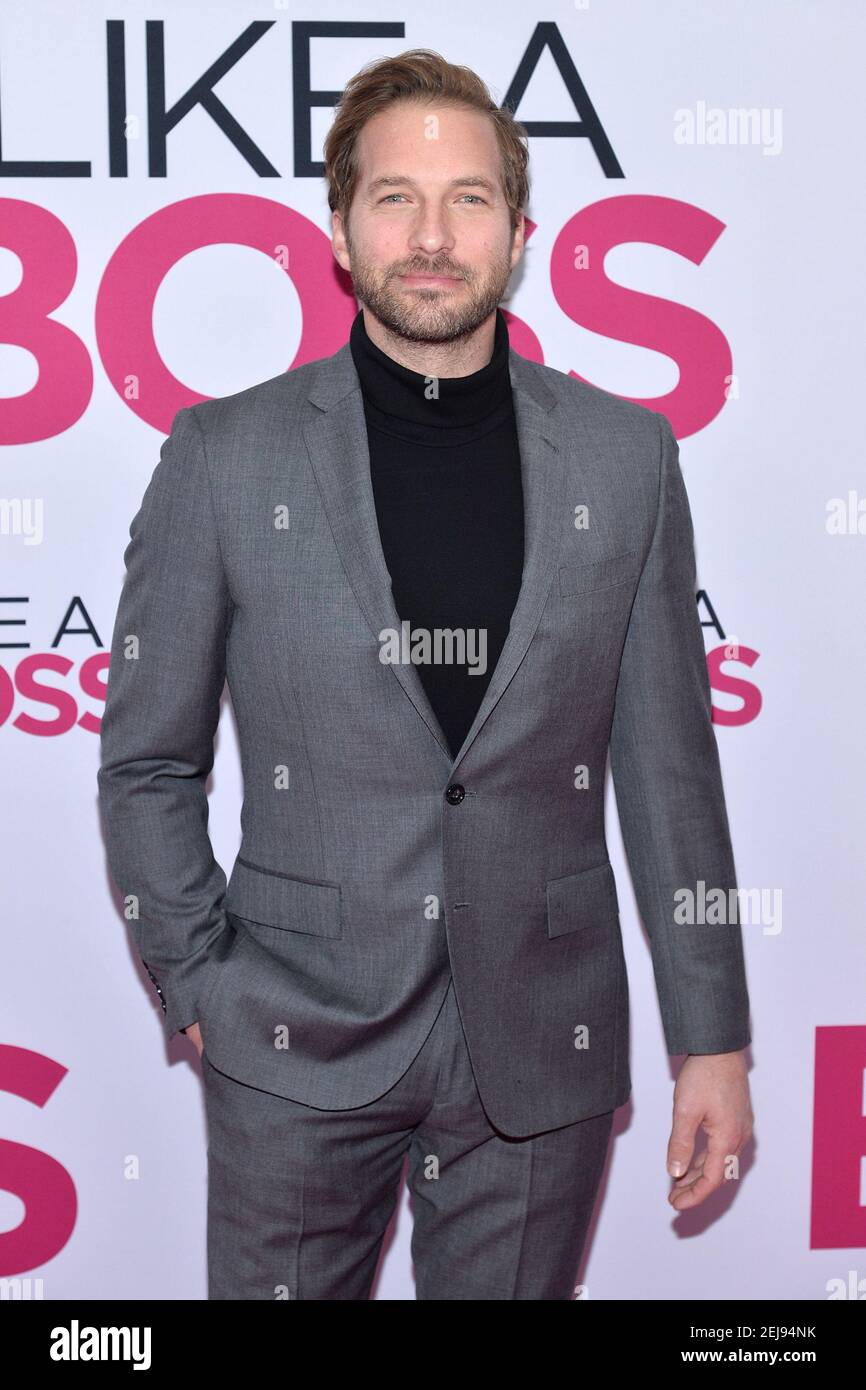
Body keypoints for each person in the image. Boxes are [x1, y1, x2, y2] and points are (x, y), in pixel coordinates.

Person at [97, 48, 753, 1300]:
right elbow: (145, 761)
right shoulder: (224, 459)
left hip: (539, 1043)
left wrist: (710, 1040)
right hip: (289, 1034)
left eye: (467, 200)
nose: (432, 234)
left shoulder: (624, 459)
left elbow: (670, 771)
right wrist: (197, 983)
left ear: (517, 231)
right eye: (395, 196)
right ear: (339, 231)